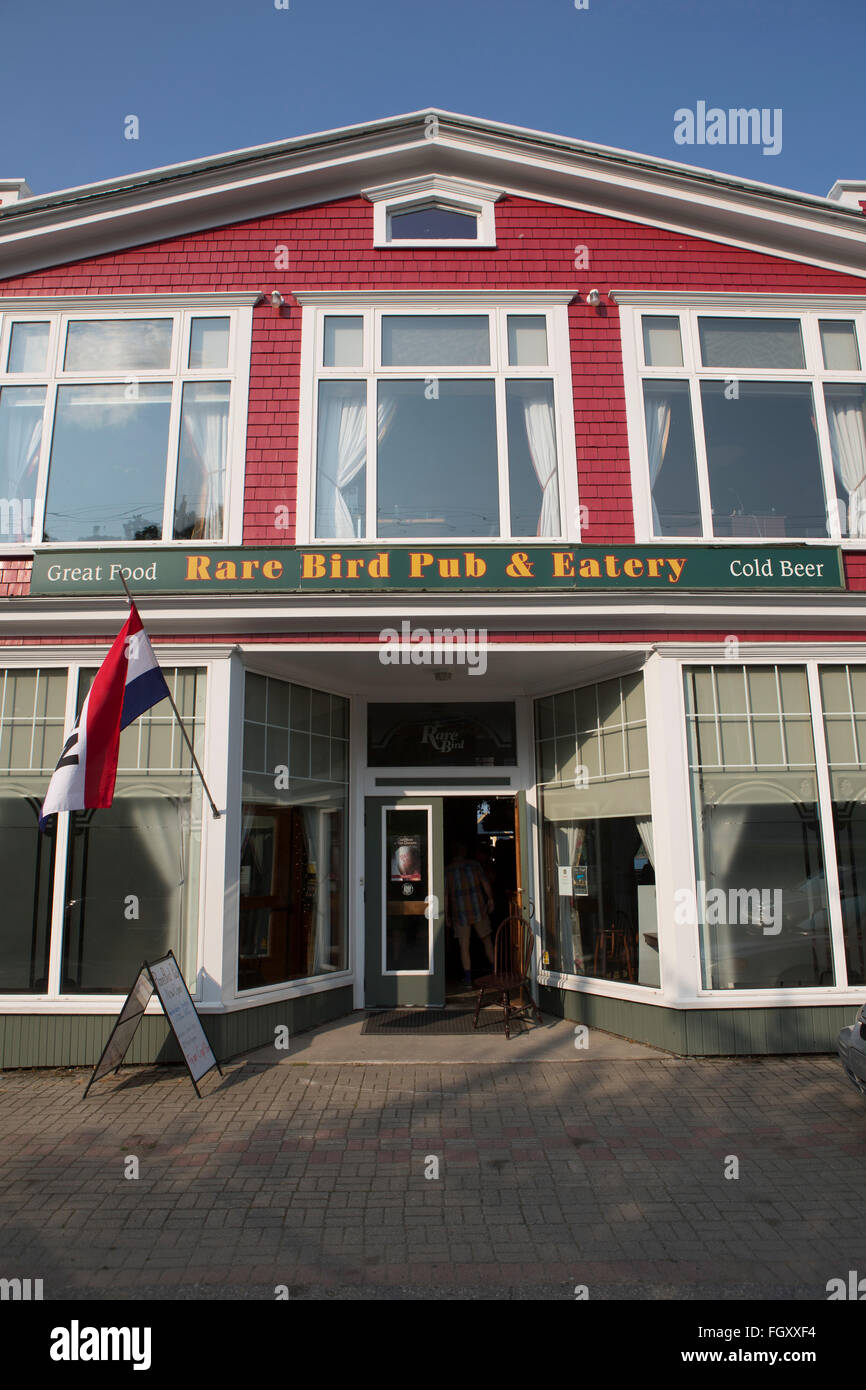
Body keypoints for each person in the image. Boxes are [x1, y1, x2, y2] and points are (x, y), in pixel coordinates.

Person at [445, 840, 495, 986]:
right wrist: (491, 899)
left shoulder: (448, 870)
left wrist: (446, 915)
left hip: (459, 913)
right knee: (487, 940)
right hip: (478, 908)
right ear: (464, 852)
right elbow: (485, 883)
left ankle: (467, 978)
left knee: (464, 946)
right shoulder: (474, 865)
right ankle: (495, 971)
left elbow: (446, 896)